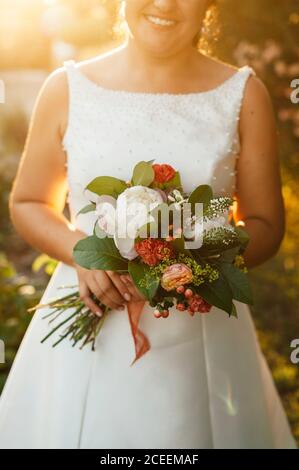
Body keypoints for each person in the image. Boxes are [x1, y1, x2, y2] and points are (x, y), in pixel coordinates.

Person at [0, 0, 296, 449]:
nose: (163, 3)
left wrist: (188, 268)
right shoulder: (67, 87)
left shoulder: (242, 93)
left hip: (201, 330)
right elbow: (29, 201)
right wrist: (81, 253)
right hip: (91, 319)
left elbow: (266, 224)